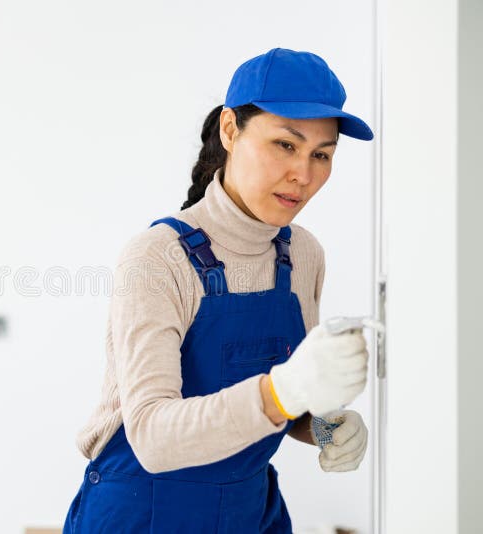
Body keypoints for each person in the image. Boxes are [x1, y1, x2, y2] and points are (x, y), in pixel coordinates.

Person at [62, 47, 374, 533]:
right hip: (143, 515)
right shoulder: (158, 257)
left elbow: (288, 403)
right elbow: (152, 436)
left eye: (322, 155)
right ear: (230, 130)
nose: (304, 175)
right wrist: (284, 391)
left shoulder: (302, 256)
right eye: (285, 145)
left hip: (249, 515)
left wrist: (322, 426)